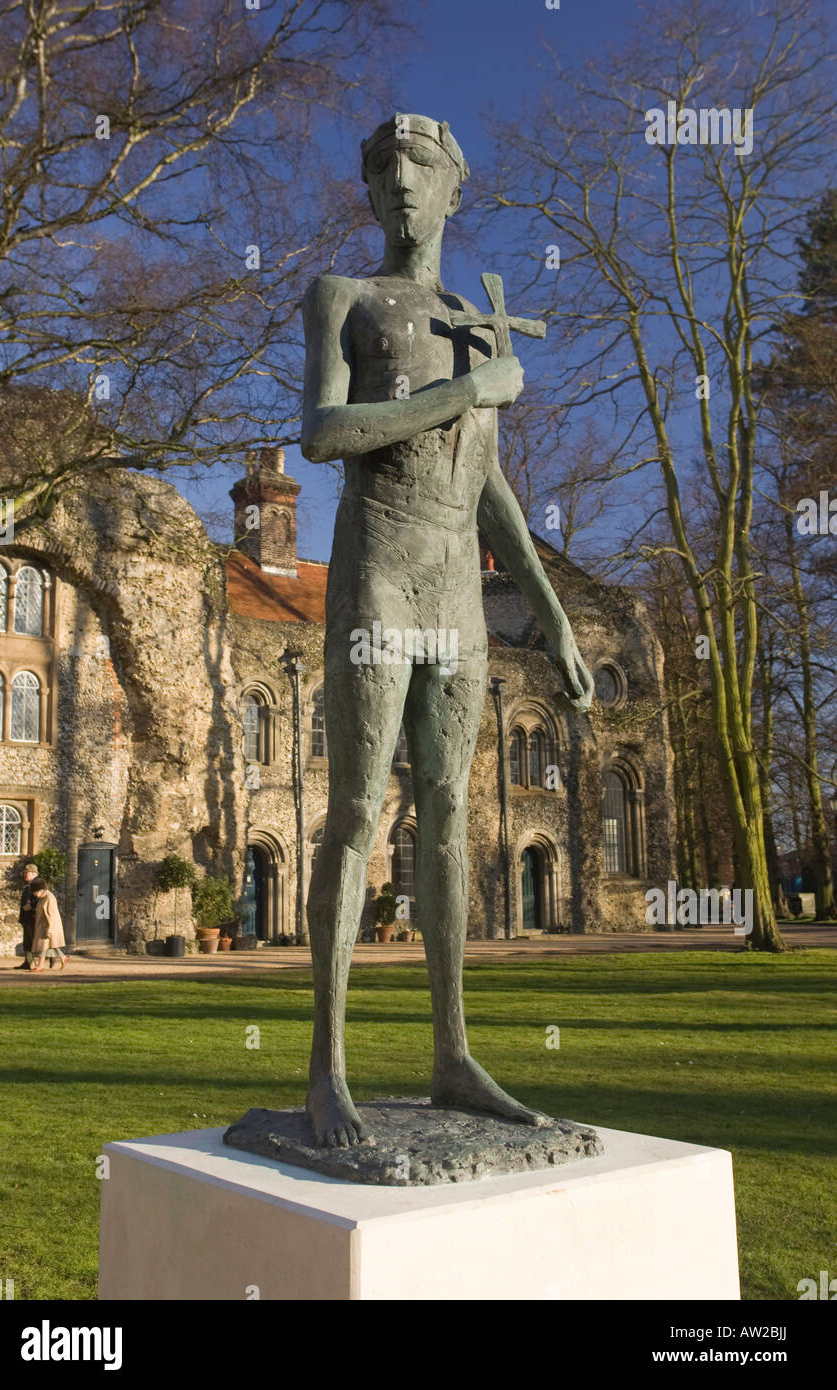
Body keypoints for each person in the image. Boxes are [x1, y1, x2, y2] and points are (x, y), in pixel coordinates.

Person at [300, 114, 594, 1148]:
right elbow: (324, 432)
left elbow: (489, 488)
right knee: (348, 811)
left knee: (448, 810)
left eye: (417, 170)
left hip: (456, 598)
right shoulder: (347, 298)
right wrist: (463, 390)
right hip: (378, 573)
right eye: (381, 173)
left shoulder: (475, 317)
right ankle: (326, 1070)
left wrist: (550, 615)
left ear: (452, 190)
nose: (398, 188)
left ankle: (452, 1055)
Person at [29, 878, 68, 972]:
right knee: (48, 945)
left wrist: (50, 929)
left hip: (47, 926)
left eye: (35, 892)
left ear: (40, 890)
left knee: (43, 946)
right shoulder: (43, 897)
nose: (34, 894)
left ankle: (40, 966)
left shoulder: (48, 898)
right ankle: (63, 957)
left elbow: (52, 915)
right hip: (43, 925)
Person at [16, 862, 39, 969]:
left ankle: (51, 956)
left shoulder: (37, 885)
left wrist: (30, 906)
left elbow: (40, 899)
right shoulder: (28, 885)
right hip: (26, 918)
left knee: (34, 941)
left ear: (34, 873)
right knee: (27, 941)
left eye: (28, 873)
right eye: (25, 873)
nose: (26, 875)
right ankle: (28, 962)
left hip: (32, 917)